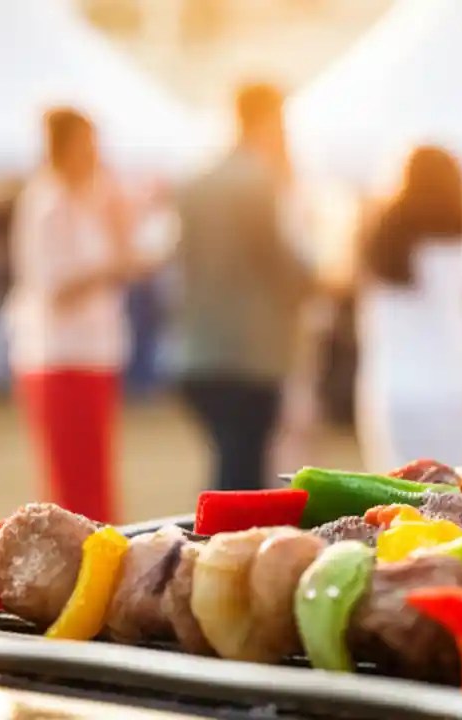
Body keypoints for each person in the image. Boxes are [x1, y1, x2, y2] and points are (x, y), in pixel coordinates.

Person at [175, 83, 312, 490]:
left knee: (229, 466)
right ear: (267, 119)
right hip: (249, 355)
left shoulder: (196, 180)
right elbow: (280, 263)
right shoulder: (260, 181)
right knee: (242, 479)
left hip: (200, 352)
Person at [6, 107, 136, 523]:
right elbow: (53, 286)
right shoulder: (48, 203)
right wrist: (109, 268)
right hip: (59, 356)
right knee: (73, 489)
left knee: (97, 485)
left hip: (95, 352)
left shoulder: (90, 199)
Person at [352, 145, 462, 470]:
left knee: (396, 499)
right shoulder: (461, 249)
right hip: (450, 394)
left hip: (390, 390)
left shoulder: (379, 248)